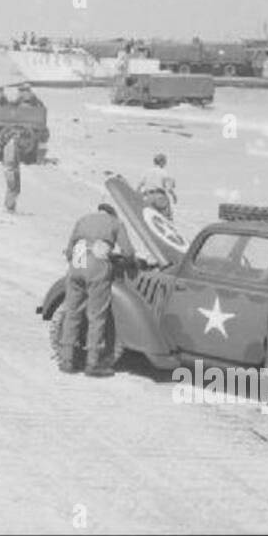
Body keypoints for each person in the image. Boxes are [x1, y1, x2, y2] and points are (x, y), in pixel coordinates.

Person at [60, 203, 135, 376]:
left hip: (76, 264)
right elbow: (128, 252)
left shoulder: (83, 220)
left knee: (72, 312)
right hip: (96, 266)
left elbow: (69, 251)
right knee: (96, 316)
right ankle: (92, 363)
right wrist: (129, 262)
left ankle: (66, 360)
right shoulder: (115, 223)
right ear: (112, 214)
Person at [138, 153, 177, 220]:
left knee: (151, 217)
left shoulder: (147, 171)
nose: (165, 163)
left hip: (148, 197)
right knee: (166, 218)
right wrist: (174, 196)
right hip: (160, 197)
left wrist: (139, 197)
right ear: (161, 162)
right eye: (165, 161)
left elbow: (139, 186)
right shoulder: (163, 172)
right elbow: (169, 188)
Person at [2, 132, 21, 213]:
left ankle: (10, 206)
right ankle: (9, 207)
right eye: (17, 138)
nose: (19, 139)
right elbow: (10, 160)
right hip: (11, 170)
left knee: (13, 189)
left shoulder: (10, 146)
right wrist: (14, 168)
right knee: (13, 189)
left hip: (11, 170)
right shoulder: (11, 146)